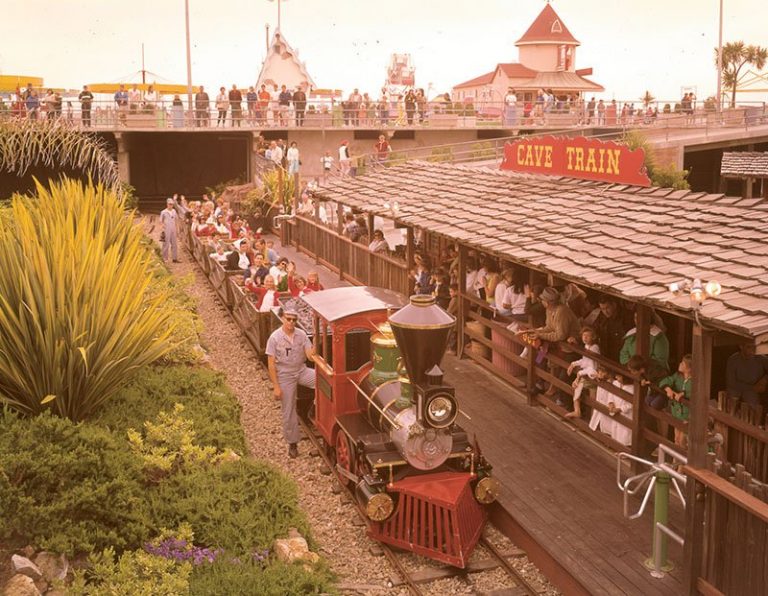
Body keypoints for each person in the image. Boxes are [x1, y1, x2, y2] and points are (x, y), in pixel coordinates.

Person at [266, 307, 316, 458]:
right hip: (285, 374)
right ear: (282, 318)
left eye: (294, 320)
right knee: (288, 410)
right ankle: (292, 443)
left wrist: (315, 343)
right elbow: (271, 364)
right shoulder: (274, 338)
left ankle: (313, 409)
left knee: (324, 382)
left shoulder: (301, 335)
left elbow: (310, 357)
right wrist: (276, 386)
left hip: (301, 370)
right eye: (288, 319)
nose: (291, 322)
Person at [619, 311, 669, 382]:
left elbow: (660, 361)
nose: (637, 320)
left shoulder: (659, 338)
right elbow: (623, 355)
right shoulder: (631, 334)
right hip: (631, 373)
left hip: (652, 377)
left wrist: (639, 367)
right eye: (635, 318)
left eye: (639, 318)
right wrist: (632, 367)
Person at [566, 326, 600, 419]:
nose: (585, 338)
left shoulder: (594, 348)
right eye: (583, 335)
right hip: (586, 375)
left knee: (593, 400)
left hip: (592, 375)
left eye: (588, 336)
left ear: (593, 337)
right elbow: (585, 361)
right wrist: (574, 364)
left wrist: (580, 373)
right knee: (577, 389)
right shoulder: (586, 346)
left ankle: (593, 419)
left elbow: (592, 366)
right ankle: (577, 411)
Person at [659, 355, 693, 447]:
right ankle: (676, 461)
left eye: (683, 363)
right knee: (676, 438)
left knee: (683, 440)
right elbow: (665, 381)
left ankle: (681, 460)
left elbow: (694, 392)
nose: (680, 364)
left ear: (689, 368)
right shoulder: (677, 376)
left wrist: (683, 394)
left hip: (687, 415)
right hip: (677, 413)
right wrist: (668, 389)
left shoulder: (695, 381)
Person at [160, 198, 179, 263]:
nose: (171, 205)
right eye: (169, 204)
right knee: (166, 244)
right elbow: (161, 221)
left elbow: (176, 219)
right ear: (167, 204)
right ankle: (165, 258)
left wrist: (177, 228)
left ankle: (174, 258)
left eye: (172, 204)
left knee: (174, 244)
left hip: (173, 228)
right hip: (166, 229)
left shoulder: (174, 211)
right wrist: (163, 227)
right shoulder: (163, 212)